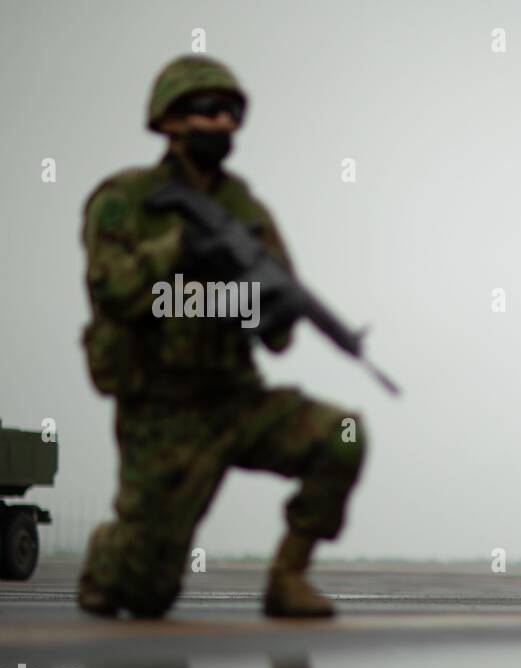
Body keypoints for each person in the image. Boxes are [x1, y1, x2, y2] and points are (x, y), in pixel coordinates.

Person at [77, 55, 365, 619]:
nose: (224, 125)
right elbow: (113, 293)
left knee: (346, 434)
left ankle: (288, 577)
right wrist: (179, 253)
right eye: (209, 112)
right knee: (145, 595)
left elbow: (276, 339)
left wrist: (272, 310)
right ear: (171, 120)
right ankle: (112, 556)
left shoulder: (247, 213)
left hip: (235, 398)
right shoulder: (126, 200)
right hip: (163, 411)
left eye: (233, 113)